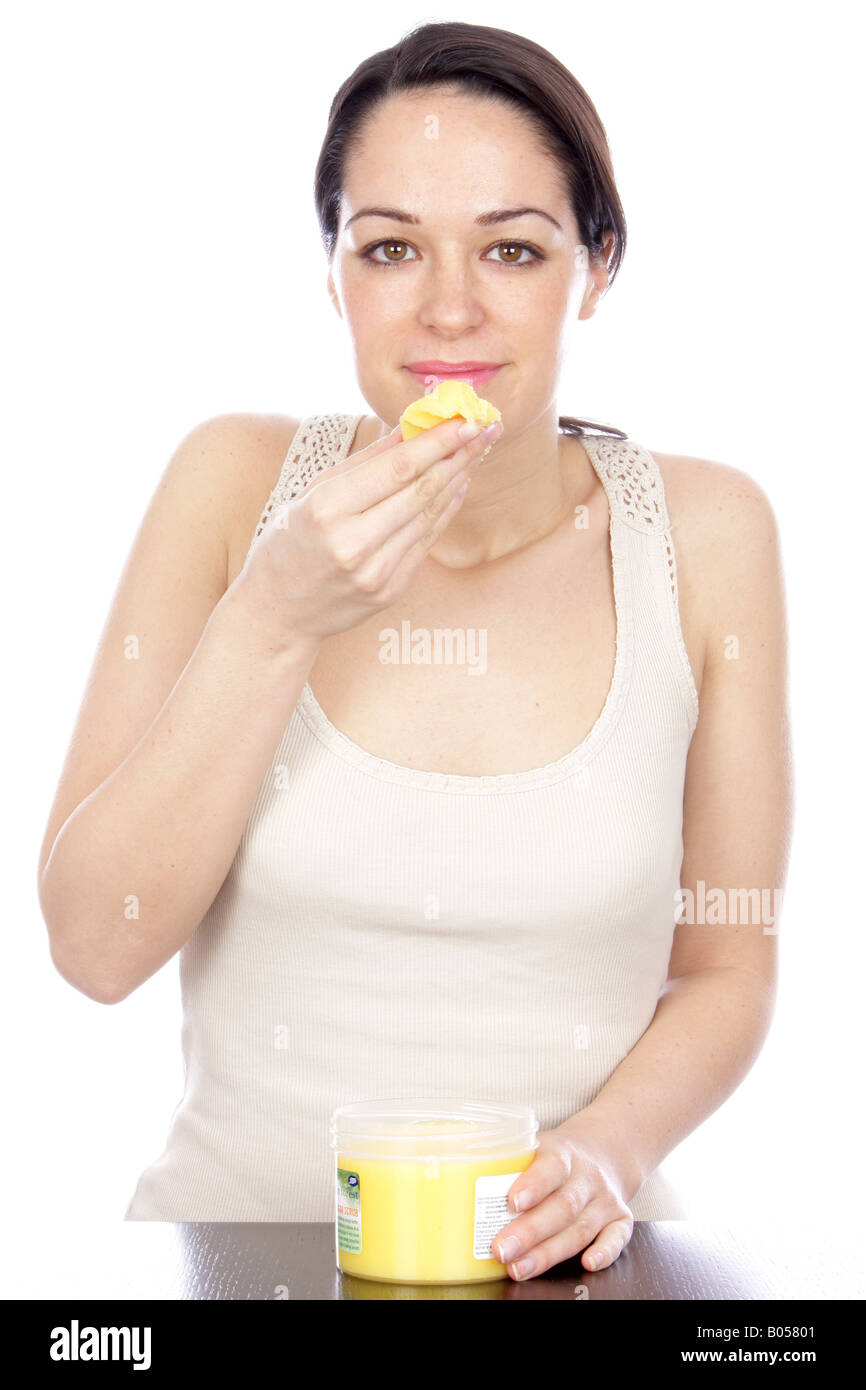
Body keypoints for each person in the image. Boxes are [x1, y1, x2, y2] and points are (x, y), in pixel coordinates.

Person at [36, 20, 792, 1282]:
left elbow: (725, 962)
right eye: (390, 247)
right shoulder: (231, 488)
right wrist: (273, 616)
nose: (449, 306)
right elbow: (94, 947)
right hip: (239, 1258)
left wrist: (605, 1149)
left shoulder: (706, 533)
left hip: (568, 1273)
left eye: (511, 248)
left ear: (594, 267)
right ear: (332, 272)